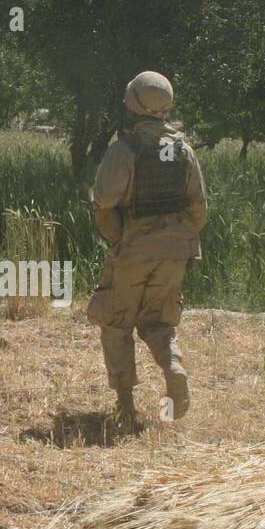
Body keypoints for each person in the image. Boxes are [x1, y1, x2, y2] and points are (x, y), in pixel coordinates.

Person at [87, 71, 208, 431]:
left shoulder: (124, 150)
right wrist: (174, 239)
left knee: (116, 322)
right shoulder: (183, 150)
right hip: (175, 250)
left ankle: (125, 406)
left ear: (133, 105)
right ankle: (173, 367)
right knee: (159, 321)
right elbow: (199, 208)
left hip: (135, 248)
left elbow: (105, 198)